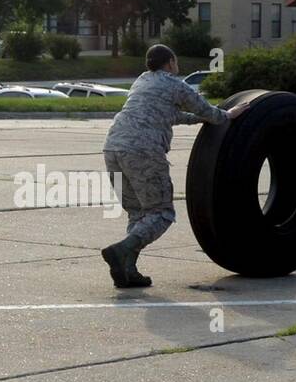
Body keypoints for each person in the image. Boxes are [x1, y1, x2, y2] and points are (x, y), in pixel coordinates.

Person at [101, 44, 247, 288]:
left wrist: (200, 119)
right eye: (176, 62)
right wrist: (228, 115)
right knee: (161, 213)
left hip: (113, 148)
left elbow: (172, 115)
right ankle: (121, 250)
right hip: (143, 151)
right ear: (170, 62)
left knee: (138, 212)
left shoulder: (142, 81)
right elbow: (206, 110)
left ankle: (127, 270)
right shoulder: (174, 84)